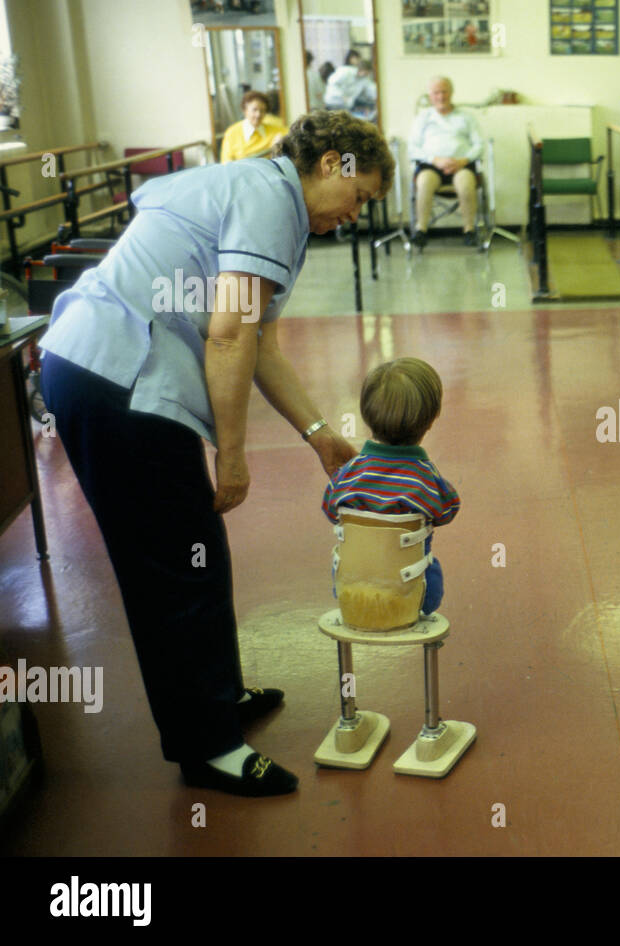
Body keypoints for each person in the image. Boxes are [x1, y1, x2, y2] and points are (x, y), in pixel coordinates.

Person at [39, 110, 395, 796]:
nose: (357, 212)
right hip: (116, 378)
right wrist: (230, 454)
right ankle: (207, 748)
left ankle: (217, 694)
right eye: (361, 196)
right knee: (173, 565)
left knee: (195, 549)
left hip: (106, 368)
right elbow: (228, 335)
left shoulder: (265, 196)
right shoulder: (267, 197)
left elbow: (257, 340)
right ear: (330, 165)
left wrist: (319, 432)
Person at [322, 358, 460, 617]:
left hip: (348, 590)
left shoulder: (347, 473)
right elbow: (448, 511)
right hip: (413, 595)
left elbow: (330, 509)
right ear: (430, 421)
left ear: (367, 416)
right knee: (428, 564)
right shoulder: (426, 478)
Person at [409, 76, 484, 246]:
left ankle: (469, 230)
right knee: (424, 182)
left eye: (444, 92)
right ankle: (421, 230)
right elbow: (413, 148)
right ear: (430, 96)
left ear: (451, 93)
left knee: (466, 185)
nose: (441, 97)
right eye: (436, 93)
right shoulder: (423, 118)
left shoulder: (466, 117)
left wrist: (462, 161)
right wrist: (435, 160)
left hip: (462, 165)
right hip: (431, 166)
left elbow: (479, 145)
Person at [219, 90, 288, 163]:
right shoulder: (232, 133)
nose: (258, 115)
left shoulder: (274, 129)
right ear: (245, 110)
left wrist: (281, 141)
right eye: (254, 110)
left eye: (262, 111)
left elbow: (292, 135)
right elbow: (226, 163)